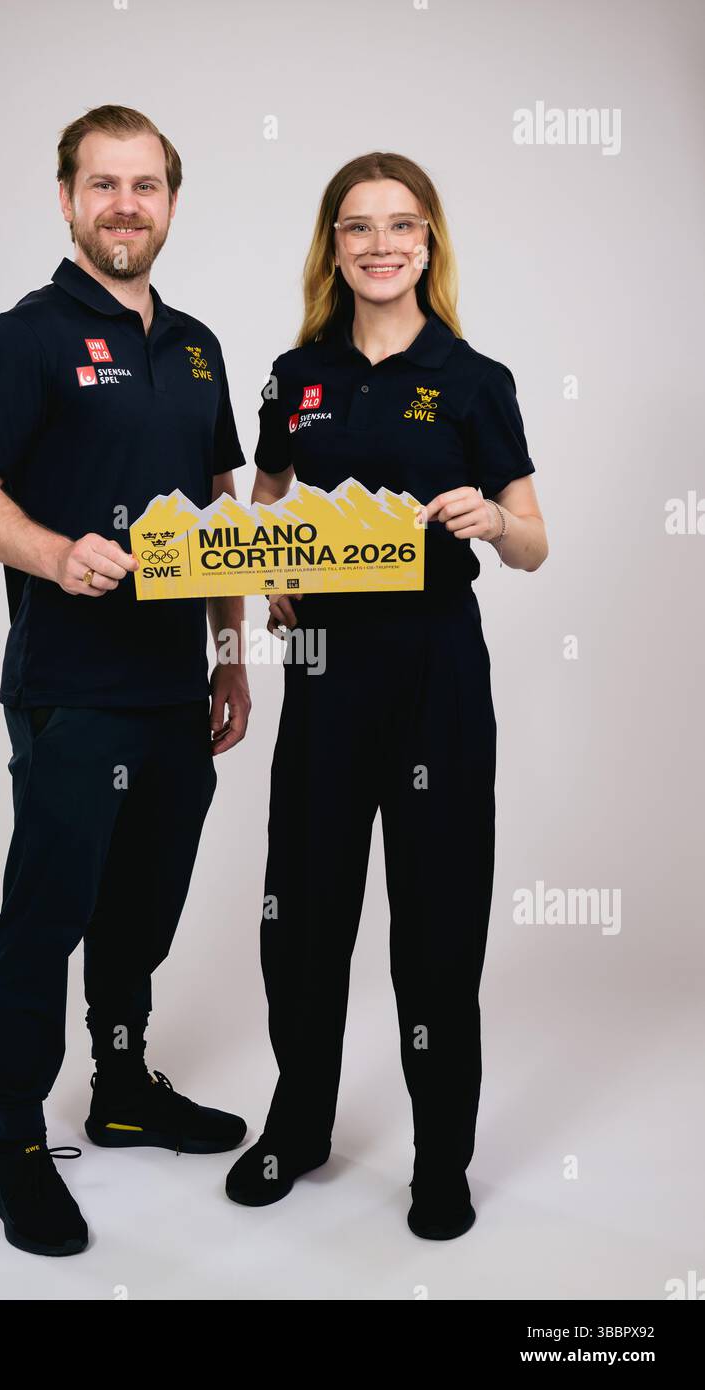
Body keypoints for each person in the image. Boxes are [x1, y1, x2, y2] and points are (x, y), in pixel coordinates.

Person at [0, 105, 252, 1257]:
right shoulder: (21, 337)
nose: (126, 205)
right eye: (103, 184)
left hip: (175, 687)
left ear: (171, 201)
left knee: (142, 903)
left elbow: (221, 507)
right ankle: (17, 1139)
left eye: (146, 186)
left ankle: (119, 1083)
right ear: (66, 197)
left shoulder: (200, 343)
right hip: (70, 685)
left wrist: (227, 652)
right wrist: (54, 554)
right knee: (45, 916)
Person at [225, 151, 548, 1239]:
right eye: (355, 227)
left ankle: (439, 1161)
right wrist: (270, 572)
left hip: (434, 673)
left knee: (436, 921)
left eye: (399, 225)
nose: (377, 245)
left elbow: (536, 543)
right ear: (332, 245)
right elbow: (261, 506)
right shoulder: (290, 374)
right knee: (302, 915)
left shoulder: (472, 379)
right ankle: (297, 1126)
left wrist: (493, 521)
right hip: (323, 673)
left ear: (428, 241)